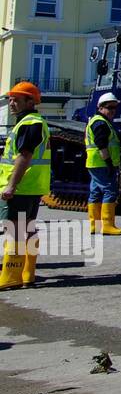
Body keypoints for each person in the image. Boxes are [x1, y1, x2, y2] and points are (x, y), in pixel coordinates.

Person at [0, 83, 50, 290]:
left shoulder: (29, 123)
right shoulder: (34, 122)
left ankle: (11, 276)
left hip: (21, 187)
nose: (12, 103)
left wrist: (11, 185)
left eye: (17, 100)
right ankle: (27, 274)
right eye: (11, 99)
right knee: (27, 228)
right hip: (31, 186)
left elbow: (24, 156)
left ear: (31, 102)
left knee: (14, 231)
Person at [84, 91, 121, 236]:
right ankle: (107, 225)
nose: (113, 111)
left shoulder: (99, 121)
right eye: (109, 107)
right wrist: (108, 163)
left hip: (94, 163)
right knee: (110, 191)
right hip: (101, 163)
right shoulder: (100, 123)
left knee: (95, 192)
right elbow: (101, 144)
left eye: (114, 108)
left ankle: (95, 225)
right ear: (100, 108)